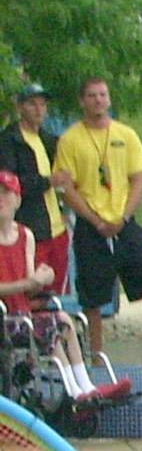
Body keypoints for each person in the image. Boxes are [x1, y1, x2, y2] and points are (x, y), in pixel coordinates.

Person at [51, 76, 142, 363]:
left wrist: (124, 216)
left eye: (102, 95)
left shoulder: (126, 135)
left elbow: (138, 179)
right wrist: (93, 219)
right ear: (82, 101)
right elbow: (66, 187)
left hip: (125, 224)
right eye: (91, 95)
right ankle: (96, 358)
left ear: (109, 99)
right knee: (92, 300)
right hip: (91, 227)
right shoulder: (70, 139)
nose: (98, 101)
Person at [0, 169, 130, 414]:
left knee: (64, 320)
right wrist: (27, 284)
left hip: (23, 313)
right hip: (5, 319)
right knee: (49, 329)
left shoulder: (24, 236)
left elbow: (31, 286)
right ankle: (74, 393)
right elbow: (21, 285)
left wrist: (42, 277)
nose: (0, 199)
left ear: (17, 200)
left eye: (6, 193)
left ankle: (86, 386)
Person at [0, 83, 69, 294]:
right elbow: (11, 183)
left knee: (55, 291)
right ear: (20, 108)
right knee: (33, 291)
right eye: (32, 104)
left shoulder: (49, 140)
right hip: (32, 228)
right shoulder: (10, 140)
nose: (39, 110)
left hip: (56, 227)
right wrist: (48, 181)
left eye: (43, 104)